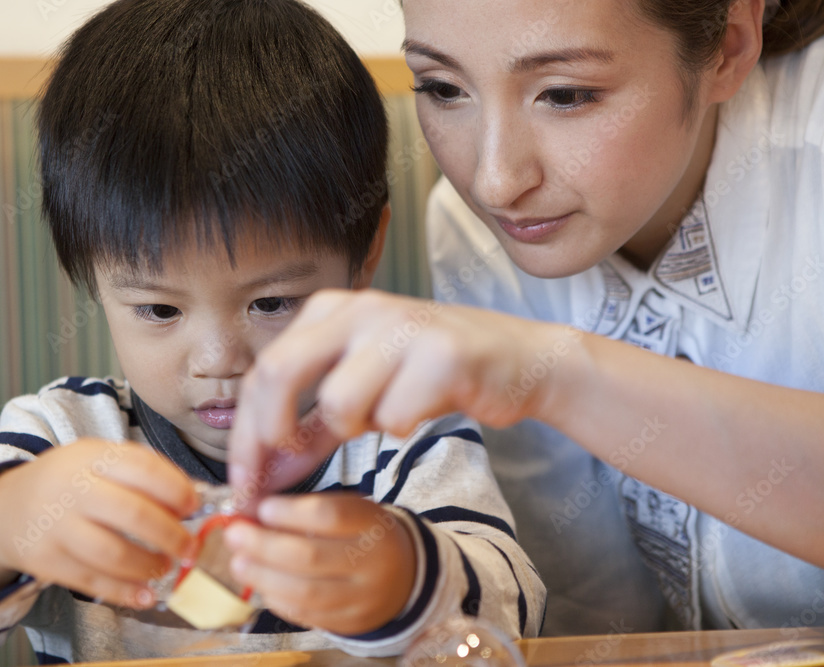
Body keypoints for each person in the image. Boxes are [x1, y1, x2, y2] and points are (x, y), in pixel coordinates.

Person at [0, 0, 546, 663]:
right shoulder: (66, 438)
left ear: (365, 257)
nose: (219, 361)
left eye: (272, 303)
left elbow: (512, 611)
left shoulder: (398, 433)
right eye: (160, 311)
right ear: (93, 281)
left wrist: (403, 572)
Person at [228, 0, 824, 636]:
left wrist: (553, 376)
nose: (493, 183)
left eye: (564, 94)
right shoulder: (474, 235)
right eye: (443, 88)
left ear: (729, 46)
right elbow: (591, 617)